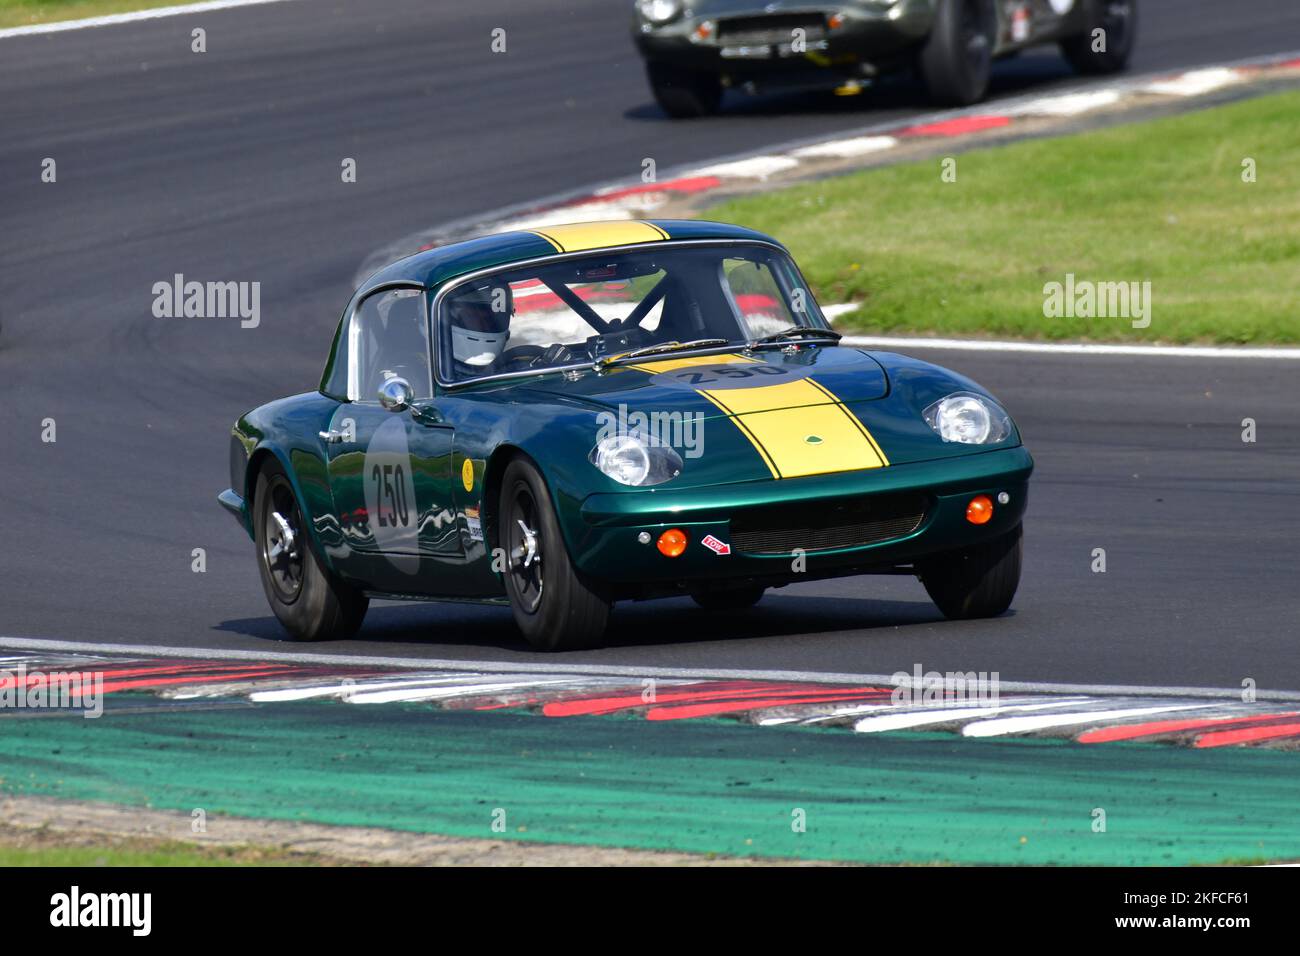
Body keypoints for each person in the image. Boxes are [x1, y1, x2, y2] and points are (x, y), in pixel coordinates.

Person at [446, 280, 513, 377]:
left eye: (492, 318)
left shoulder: (509, 367)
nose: (486, 324)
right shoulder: (427, 371)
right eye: (475, 315)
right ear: (452, 315)